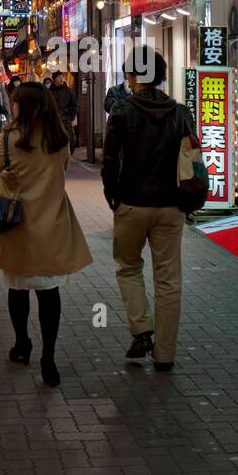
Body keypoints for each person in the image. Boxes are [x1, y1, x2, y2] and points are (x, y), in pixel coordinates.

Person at [0, 82, 92, 387]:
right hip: (52, 223)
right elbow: (64, 167)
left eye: (16, 102)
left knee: (17, 288)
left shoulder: (9, 137)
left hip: (16, 223)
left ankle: (22, 344)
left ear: (25, 105)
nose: (13, 105)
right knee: (49, 292)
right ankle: (49, 357)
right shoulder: (59, 137)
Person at [102, 46, 196, 372]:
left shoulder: (121, 111)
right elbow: (192, 160)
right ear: (160, 76)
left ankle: (142, 329)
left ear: (132, 76)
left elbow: (109, 160)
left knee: (128, 267)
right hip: (171, 206)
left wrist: (112, 196)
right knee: (168, 279)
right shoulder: (182, 113)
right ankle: (166, 355)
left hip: (131, 203)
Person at [47, 71, 78, 150]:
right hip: (53, 121)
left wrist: (71, 117)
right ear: (54, 79)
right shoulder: (49, 92)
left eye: (62, 77)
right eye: (59, 77)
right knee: (54, 142)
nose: (61, 79)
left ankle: (68, 156)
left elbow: (74, 105)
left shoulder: (69, 91)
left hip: (66, 121)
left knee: (71, 141)